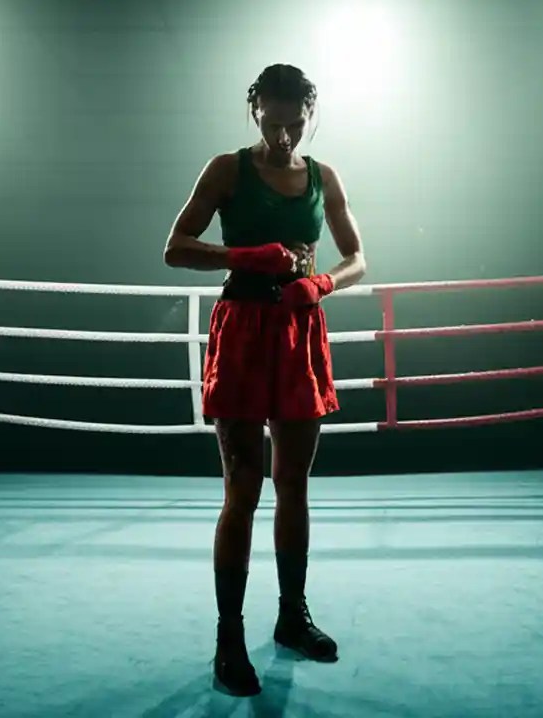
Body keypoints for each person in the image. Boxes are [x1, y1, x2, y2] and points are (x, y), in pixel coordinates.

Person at [162, 63, 367, 696]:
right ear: (254, 110)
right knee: (243, 488)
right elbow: (175, 246)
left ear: (310, 114)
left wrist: (323, 281)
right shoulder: (227, 169)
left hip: (300, 329)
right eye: (273, 122)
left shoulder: (324, 176)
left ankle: (291, 615)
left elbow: (359, 257)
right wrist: (240, 256)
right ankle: (229, 636)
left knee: (295, 483)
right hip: (243, 328)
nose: (284, 135)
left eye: (295, 123)